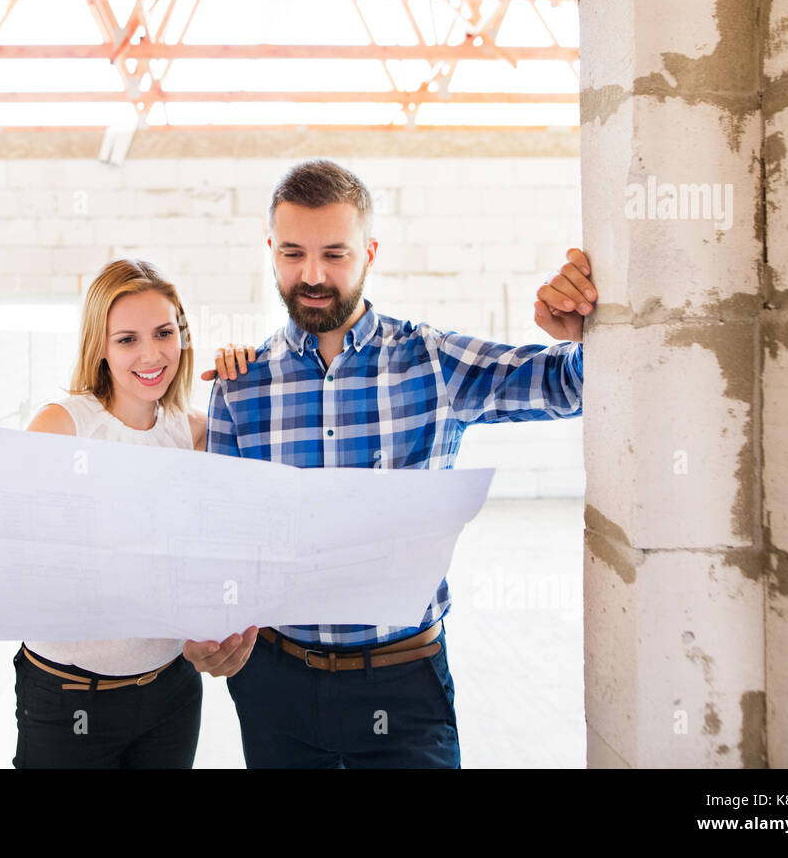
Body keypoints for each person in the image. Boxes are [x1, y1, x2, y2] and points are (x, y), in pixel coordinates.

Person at [205, 157, 598, 768]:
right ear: (270, 250)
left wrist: (583, 333)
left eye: (335, 253)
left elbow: (571, 386)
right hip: (274, 685)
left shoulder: (435, 362)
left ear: (370, 251)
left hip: (402, 682)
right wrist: (207, 630)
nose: (312, 275)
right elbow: (223, 538)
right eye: (292, 253)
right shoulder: (239, 385)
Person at [0, 258, 258, 768]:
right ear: (101, 348)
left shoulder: (192, 433)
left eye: (164, 333)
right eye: (127, 339)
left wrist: (244, 366)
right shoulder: (63, 427)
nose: (152, 353)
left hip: (170, 692)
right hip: (68, 700)